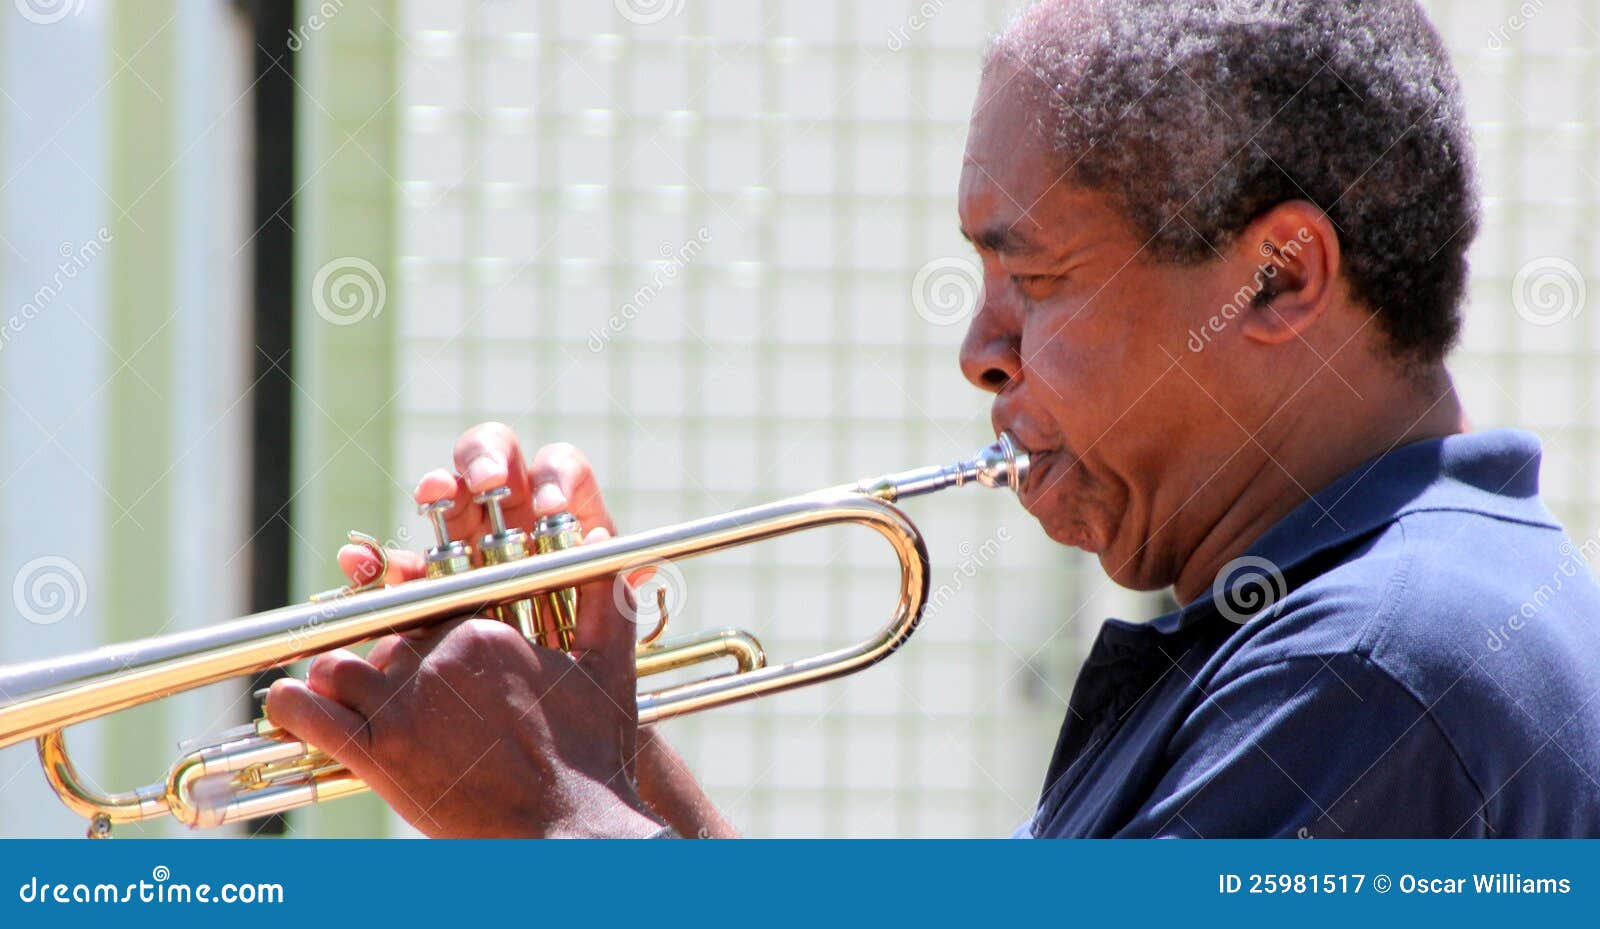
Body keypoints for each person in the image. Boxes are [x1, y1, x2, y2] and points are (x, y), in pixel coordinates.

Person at [266, 0, 1600, 837]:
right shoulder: (1342, 628)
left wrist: (551, 821)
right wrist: (611, 760)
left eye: (1038, 280)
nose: (980, 352)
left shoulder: (1374, 670)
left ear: (1279, 277)